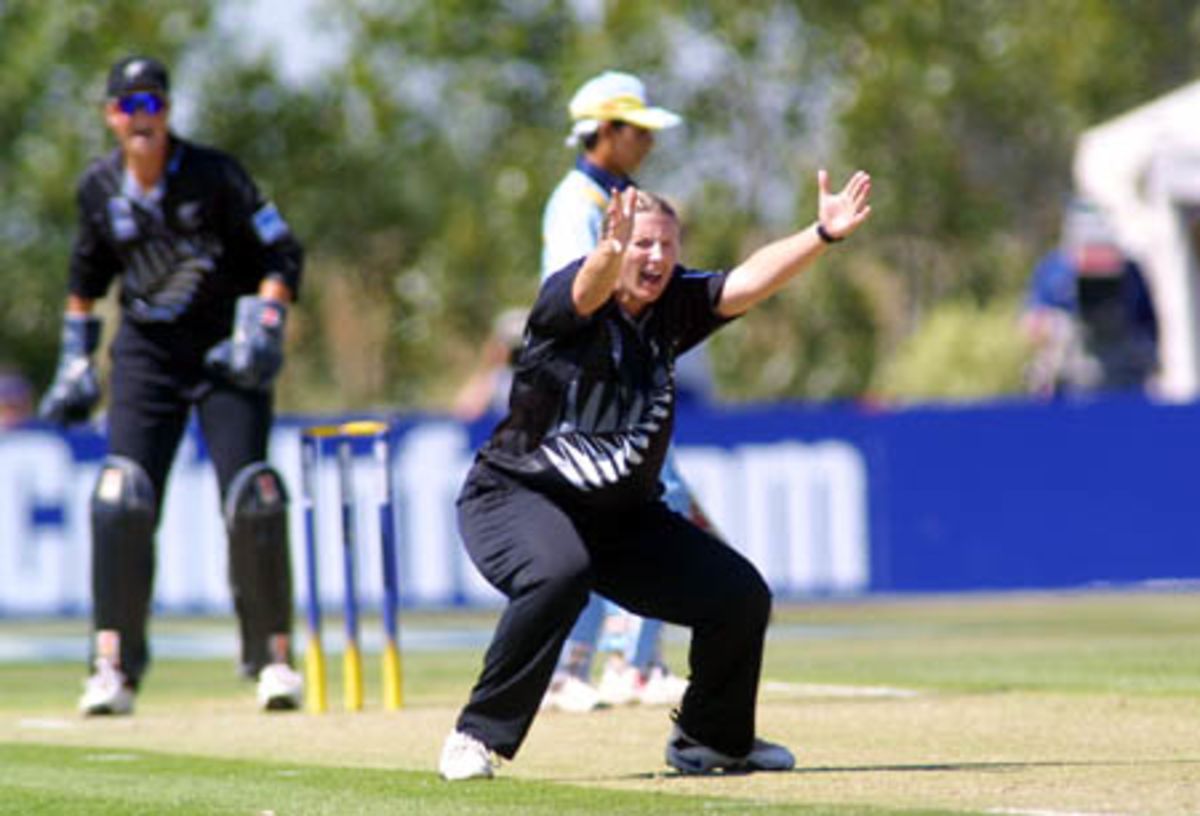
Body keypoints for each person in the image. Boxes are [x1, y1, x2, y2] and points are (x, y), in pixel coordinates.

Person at [438, 170, 873, 780]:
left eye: (668, 244)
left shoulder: (672, 304)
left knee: (740, 596)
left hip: (621, 521)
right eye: (642, 243)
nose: (658, 257)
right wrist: (608, 252)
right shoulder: (568, 297)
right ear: (612, 244)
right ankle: (475, 737)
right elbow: (589, 287)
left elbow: (747, 282)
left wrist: (821, 234)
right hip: (517, 497)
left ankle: (709, 740)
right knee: (559, 575)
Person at [38, 55, 305, 715]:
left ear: (169, 111)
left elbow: (281, 252)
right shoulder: (99, 188)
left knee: (254, 497)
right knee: (120, 498)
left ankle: (273, 659)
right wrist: (75, 361)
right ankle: (113, 668)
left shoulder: (216, 175)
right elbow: (84, 281)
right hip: (146, 357)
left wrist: (266, 326)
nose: (142, 117)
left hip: (225, 352)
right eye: (129, 105)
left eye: (153, 103)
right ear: (111, 116)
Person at [538, 70, 698, 713]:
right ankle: (604, 665)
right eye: (637, 131)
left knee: (649, 502)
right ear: (604, 130)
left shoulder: (620, 196)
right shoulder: (576, 202)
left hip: (628, 380)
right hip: (592, 386)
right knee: (630, 505)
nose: (647, 142)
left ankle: (625, 662)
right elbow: (580, 291)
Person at [1022, 197, 1158, 398]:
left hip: (1124, 375)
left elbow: (1152, 328)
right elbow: (1032, 322)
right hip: (1069, 372)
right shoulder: (1053, 270)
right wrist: (1057, 327)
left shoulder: (1133, 274)